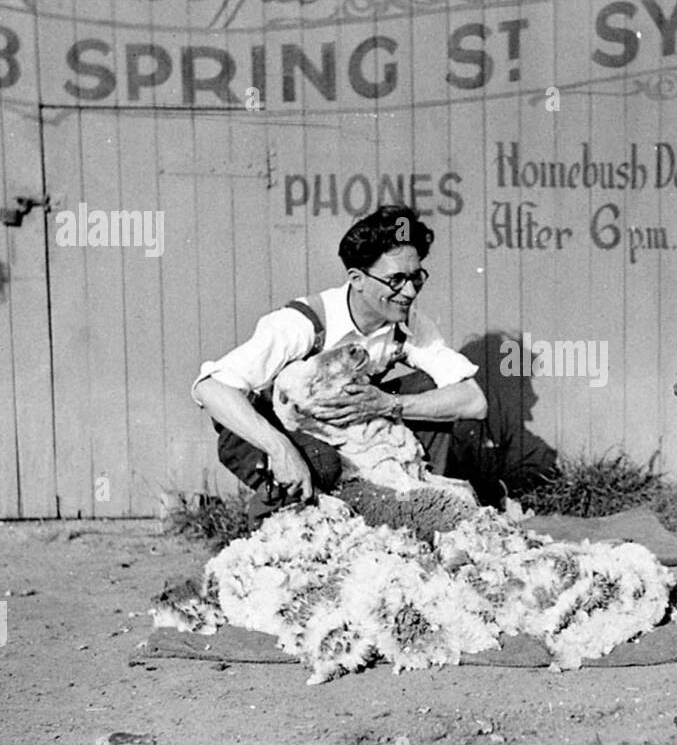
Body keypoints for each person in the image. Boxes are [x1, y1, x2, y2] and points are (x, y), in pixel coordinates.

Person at [192, 205, 487, 519]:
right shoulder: (302, 322)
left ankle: (418, 510)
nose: (410, 291)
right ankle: (272, 528)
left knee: (429, 390)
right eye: (396, 280)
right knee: (323, 466)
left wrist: (389, 404)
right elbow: (210, 389)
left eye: (416, 278)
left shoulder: (409, 325)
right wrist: (280, 450)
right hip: (268, 429)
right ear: (357, 278)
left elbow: (473, 401)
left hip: (337, 430)